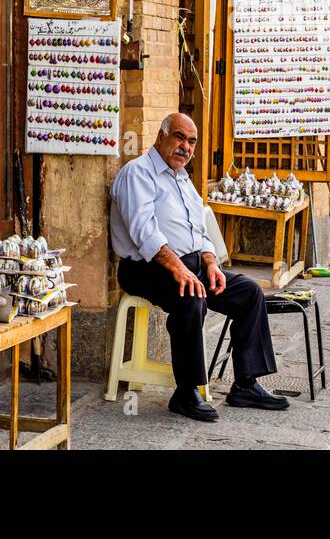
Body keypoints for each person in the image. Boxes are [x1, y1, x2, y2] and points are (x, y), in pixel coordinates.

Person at [110, 112, 286, 422]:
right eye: (179, 137)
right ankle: (185, 391)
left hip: (190, 263)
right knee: (191, 299)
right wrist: (179, 269)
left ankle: (245, 383)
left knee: (248, 292)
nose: (185, 147)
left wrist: (211, 263)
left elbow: (199, 230)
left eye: (191, 142)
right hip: (146, 267)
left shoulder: (182, 178)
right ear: (161, 137)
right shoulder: (137, 173)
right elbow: (144, 233)